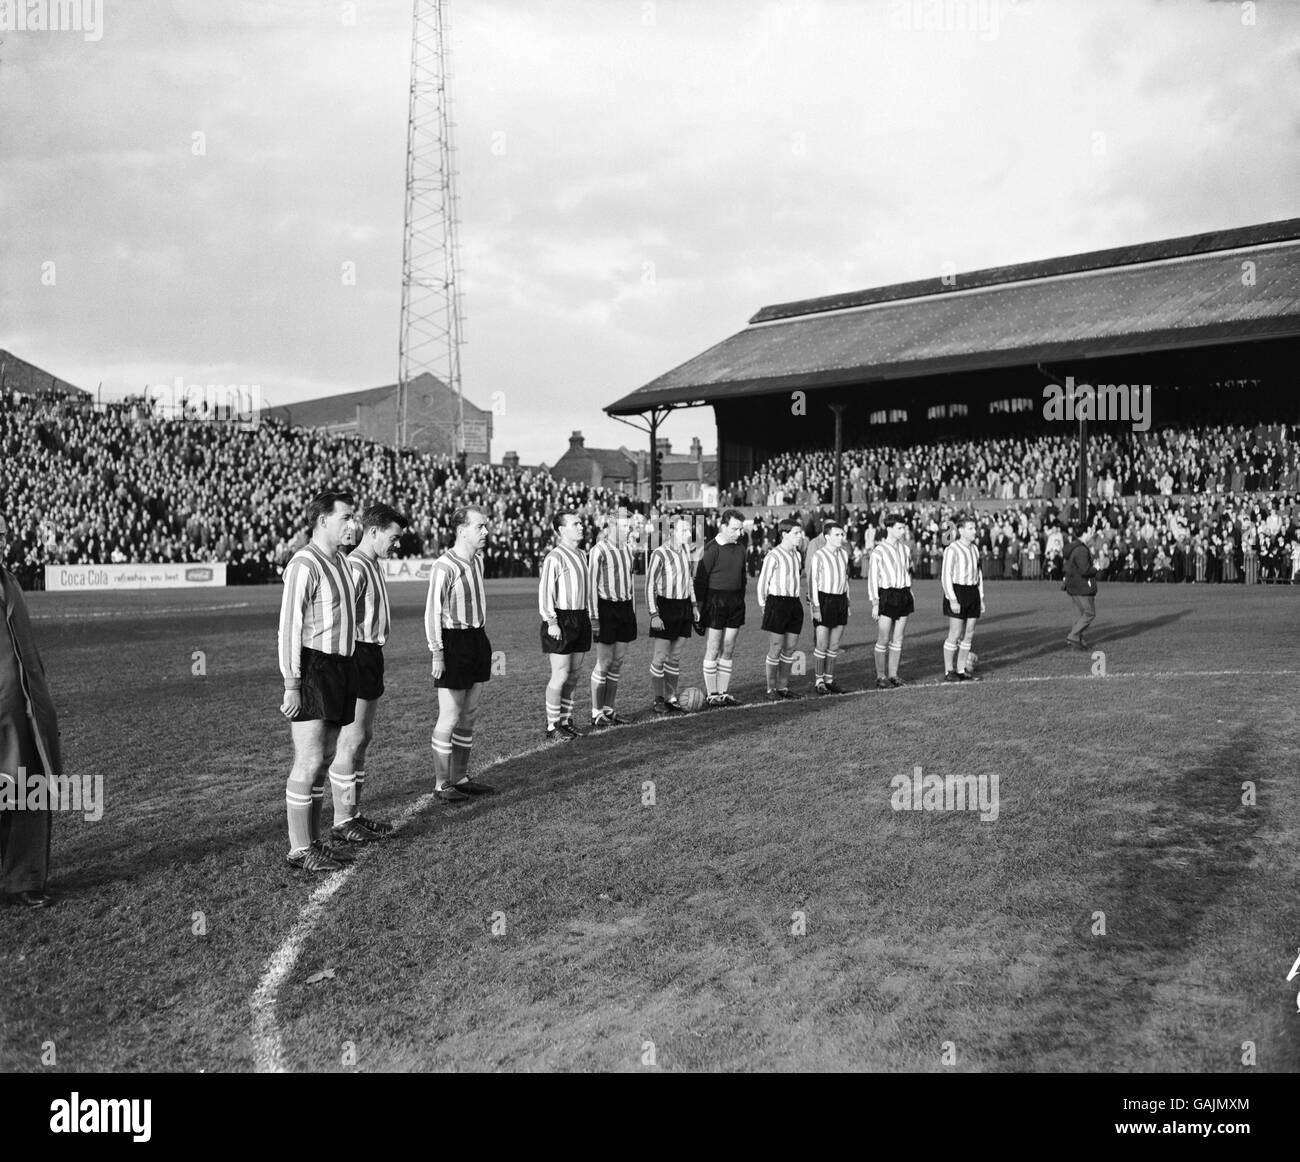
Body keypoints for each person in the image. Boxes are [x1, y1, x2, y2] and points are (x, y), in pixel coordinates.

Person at [278, 490, 361, 873]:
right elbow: (288, 630)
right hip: (313, 668)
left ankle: (313, 842)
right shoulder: (303, 564)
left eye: (353, 517)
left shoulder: (343, 563)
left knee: (325, 757)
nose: (353, 524)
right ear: (322, 520)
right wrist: (291, 683)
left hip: (341, 668)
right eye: (345, 517)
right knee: (309, 758)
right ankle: (299, 849)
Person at [328, 502, 408, 841]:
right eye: (393, 537)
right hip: (357, 654)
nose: (397, 544)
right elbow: (339, 619)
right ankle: (343, 820)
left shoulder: (372, 564)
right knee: (352, 738)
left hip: (371, 654)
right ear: (373, 532)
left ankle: (353, 814)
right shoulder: (356, 566)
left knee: (363, 737)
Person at [0, 514, 59, 908]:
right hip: (8, 701)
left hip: (18, 703)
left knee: (26, 787)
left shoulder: (7, 579)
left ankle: (22, 878)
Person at [426, 506, 495, 801]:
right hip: (453, 642)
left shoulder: (477, 562)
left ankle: (461, 777)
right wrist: (437, 653)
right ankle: (443, 784)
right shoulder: (445, 565)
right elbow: (432, 612)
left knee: (469, 713)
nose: (486, 532)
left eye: (485, 526)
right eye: (480, 526)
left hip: (477, 639)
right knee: (451, 715)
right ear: (462, 529)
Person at [539, 511, 591, 740]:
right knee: (560, 674)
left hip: (580, 617)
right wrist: (551, 621)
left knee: (574, 674)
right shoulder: (554, 557)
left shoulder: (581, 554)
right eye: (575, 524)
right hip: (561, 618)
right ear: (561, 530)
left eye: (581, 523)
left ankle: (566, 720)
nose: (581, 527)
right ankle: (552, 726)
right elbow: (545, 593)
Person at [588, 511, 638, 728]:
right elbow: (591, 586)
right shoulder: (598, 550)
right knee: (605, 662)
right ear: (612, 526)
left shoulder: (628, 549)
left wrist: (633, 611)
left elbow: (630, 582)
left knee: (617, 663)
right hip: (606, 609)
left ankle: (609, 709)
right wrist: (594, 618)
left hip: (625, 609)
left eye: (630, 526)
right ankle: (596, 712)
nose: (629, 530)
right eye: (625, 526)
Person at [695, 509, 748, 707]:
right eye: (735, 529)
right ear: (723, 527)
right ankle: (712, 693)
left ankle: (723, 692)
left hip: (735, 601)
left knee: (729, 647)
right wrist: (698, 611)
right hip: (715, 600)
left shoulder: (741, 548)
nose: (739, 533)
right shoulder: (710, 549)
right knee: (713, 647)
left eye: (741, 529)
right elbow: (700, 581)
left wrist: (740, 597)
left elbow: (742, 577)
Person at [647, 514, 698, 714]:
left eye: (689, 530)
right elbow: (650, 585)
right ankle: (658, 699)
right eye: (683, 530)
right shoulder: (659, 553)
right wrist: (654, 614)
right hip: (666, 607)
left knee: (675, 657)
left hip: (684, 606)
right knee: (660, 657)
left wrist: (694, 606)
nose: (688, 533)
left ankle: (671, 697)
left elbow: (689, 581)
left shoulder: (686, 551)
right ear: (672, 532)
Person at [757, 518, 806, 701]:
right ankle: (771, 689)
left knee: (790, 647)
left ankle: (783, 687)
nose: (800, 536)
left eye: (800, 532)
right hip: (777, 603)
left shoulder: (797, 555)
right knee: (776, 646)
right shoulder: (773, 555)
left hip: (794, 603)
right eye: (796, 533)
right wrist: (764, 606)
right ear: (784, 534)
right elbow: (762, 583)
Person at [868, 513, 915, 690]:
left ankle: (893, 675)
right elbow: (873, 578)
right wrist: (875, 602)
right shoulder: (878, 551)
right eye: (899, 528)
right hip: (886, 596)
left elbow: (906, 572)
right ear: (889, 529)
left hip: (903, 594)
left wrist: (909, 590)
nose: (902, 531)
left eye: (903, 528)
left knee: (898, 638)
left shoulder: (905, 549)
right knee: (883, 638)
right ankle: (881, 676)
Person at [808, 520, 850, 695]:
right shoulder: (819, 555)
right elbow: (813, 583)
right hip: (824, 600)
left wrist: (847, 602)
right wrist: (816, 607)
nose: (841, 538)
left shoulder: (844, 555)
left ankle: (829, 679)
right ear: (827, 537)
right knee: (822, 643)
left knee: (834, 644)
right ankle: (819, 681)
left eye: (842, 534)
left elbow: (845, 580)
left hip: (840, 600)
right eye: (837, 535)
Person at [941, 515, 984, 683]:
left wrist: (981, 596)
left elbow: (979, 575)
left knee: (969, 632)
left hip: (972, 591)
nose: (974, 531)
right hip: (957, 591)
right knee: (955, 632)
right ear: (961, 530)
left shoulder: (974, 549)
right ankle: (948, 670)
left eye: (975, 528)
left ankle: (961, 669)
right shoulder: (952, 549)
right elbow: (946, 576)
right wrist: (952, 598)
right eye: (971, 528)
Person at [1062, 524, 1098, 650]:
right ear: (1086, 532)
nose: (1091, 534)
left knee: (1080, 614)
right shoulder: (1081, 550)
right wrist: (1096, 569)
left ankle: (1078, 641)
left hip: (1074, 586)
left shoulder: (1074, 547)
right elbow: (1084, 570)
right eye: (1090, 531)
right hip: (1082, 586)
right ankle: (1073, 636)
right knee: (1089, 613)